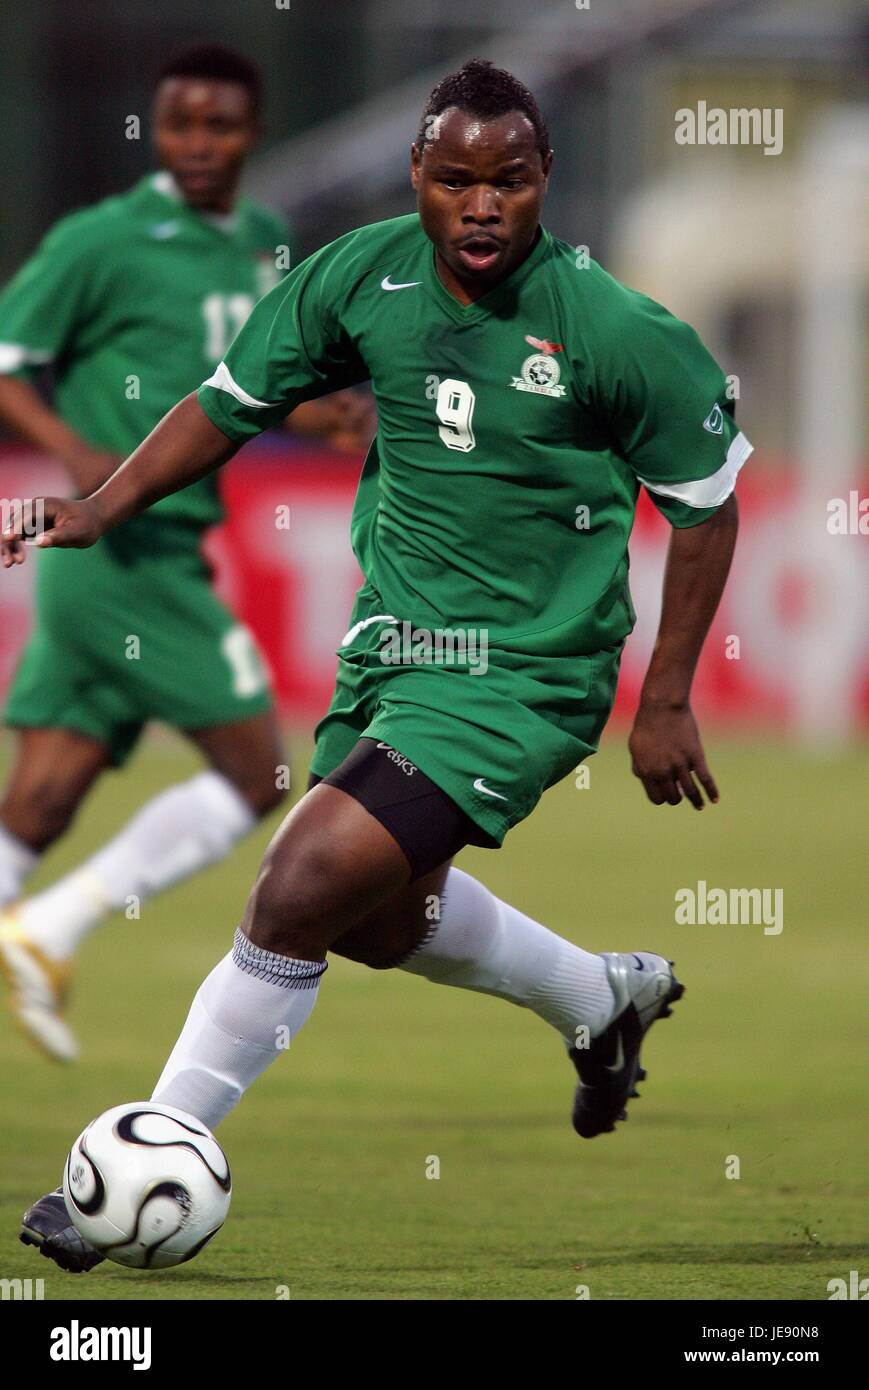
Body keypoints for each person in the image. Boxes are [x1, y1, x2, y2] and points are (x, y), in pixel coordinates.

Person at [4, 58, 750, 1274]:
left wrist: (663, 695)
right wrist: (98, 503)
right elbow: (229, 400)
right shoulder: (357, 275)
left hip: (527, 674)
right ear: (417, 174)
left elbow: (705, 501)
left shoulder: (611, 326)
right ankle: (596, 998)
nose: (480, 206)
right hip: (395, 654)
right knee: (367, 916)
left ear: (542, 179)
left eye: (508, 180)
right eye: (454, 178)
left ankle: (153, 1153)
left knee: (297, 882)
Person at [0, 44, 373, 1062]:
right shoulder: (101, 240)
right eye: (179, 125)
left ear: (252, 134)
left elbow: (238, 387)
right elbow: (7, 361)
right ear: (157, 132)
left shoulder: (259, 237)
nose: (198, 144)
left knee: (41, 796)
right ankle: (53, 929)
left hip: (155, 549)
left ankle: (33, 921)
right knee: (265, 771)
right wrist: (72, 448)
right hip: (119, 550)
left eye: (220, 126)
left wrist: (320, 416)